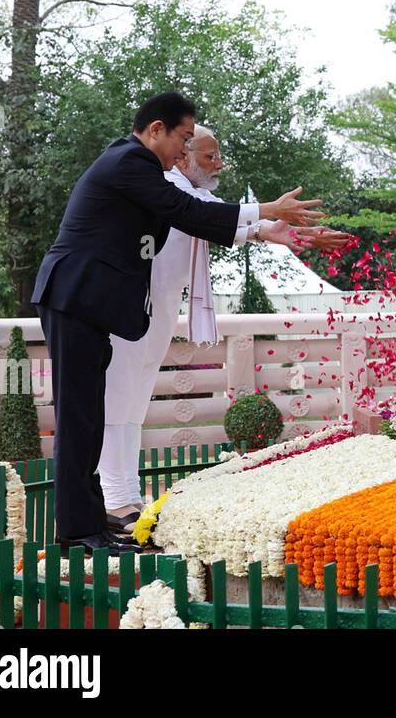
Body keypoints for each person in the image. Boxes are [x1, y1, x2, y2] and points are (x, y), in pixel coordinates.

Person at [32, 91, 326, 554]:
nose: (185, 151)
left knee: (90, 416)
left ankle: (89, 524)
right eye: (183, 140)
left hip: (94, 304)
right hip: (76, 298)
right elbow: (189, 211)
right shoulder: (129, 163)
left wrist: (261, 228)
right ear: (156, 131)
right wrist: (265, 210)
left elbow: (193, 217)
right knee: (80, 417)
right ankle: (77, 533)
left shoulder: (142, 168)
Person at [99, 124, 351, 531]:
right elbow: (212, 217)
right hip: (124, 308)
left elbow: (227, 222)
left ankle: (126, 500)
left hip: (155, 313)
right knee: (117, 403)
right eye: (208, 156)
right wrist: (269, 213)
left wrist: (297, 234)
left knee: (134, 405)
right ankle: (114, 500)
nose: (219, 164)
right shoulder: (163, 186)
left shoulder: (194, 196)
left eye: (218, 156)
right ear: (182, 156)